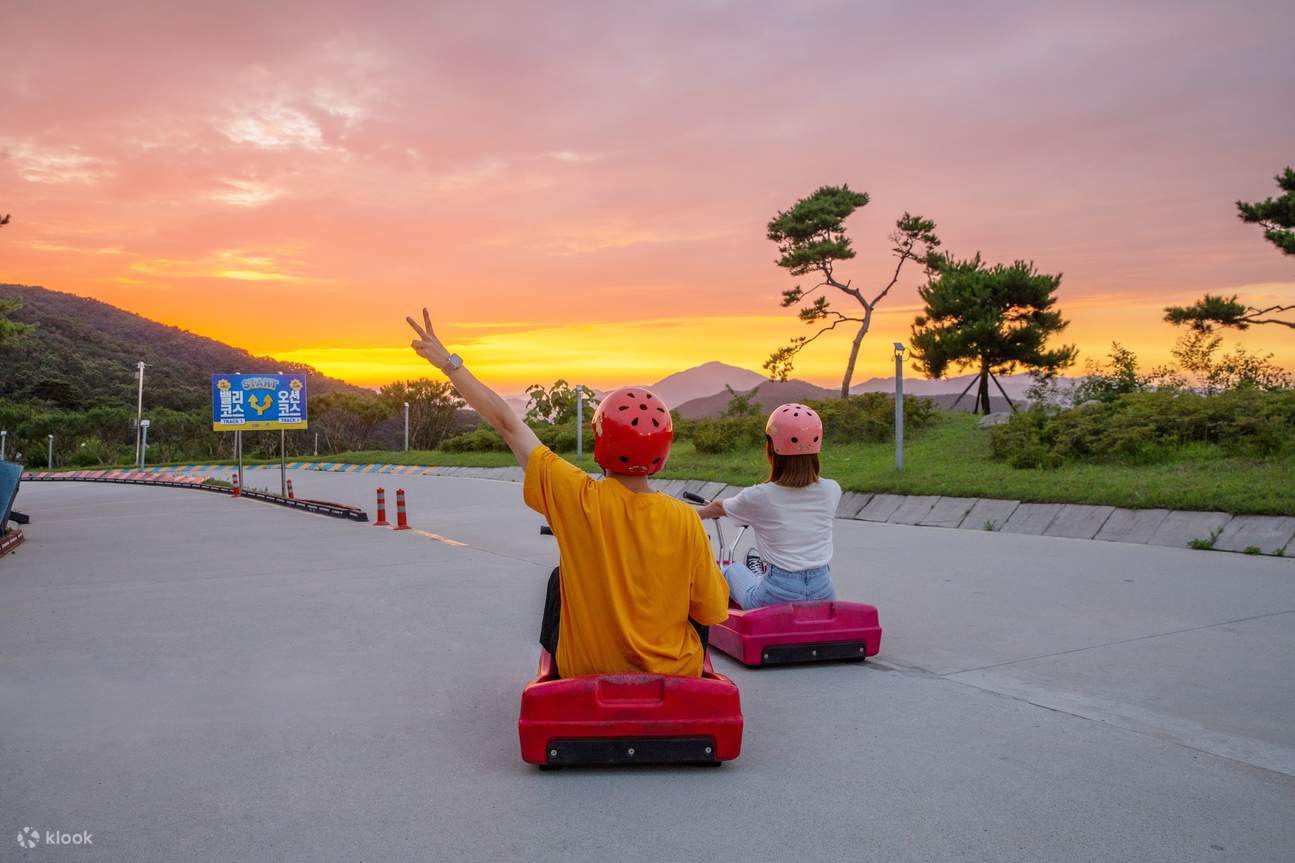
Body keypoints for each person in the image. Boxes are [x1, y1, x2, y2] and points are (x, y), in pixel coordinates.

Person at [406, 309, 729, 678]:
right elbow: (711, 610)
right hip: (675, 673)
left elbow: (507, 423)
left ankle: (550, 675)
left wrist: (450, 364)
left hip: (587, 670)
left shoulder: (576, 495)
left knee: (560, 581)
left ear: (600, 443)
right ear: (663, 453)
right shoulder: (685, 519)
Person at [695, 403, 840, 609]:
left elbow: (719, 507)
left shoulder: (760, 496)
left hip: (777, 595)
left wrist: (691, 515)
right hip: (823, 589)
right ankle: (758, 574)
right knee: (758, 575)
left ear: (771, 447)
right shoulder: (832, 489)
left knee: (731, 571)